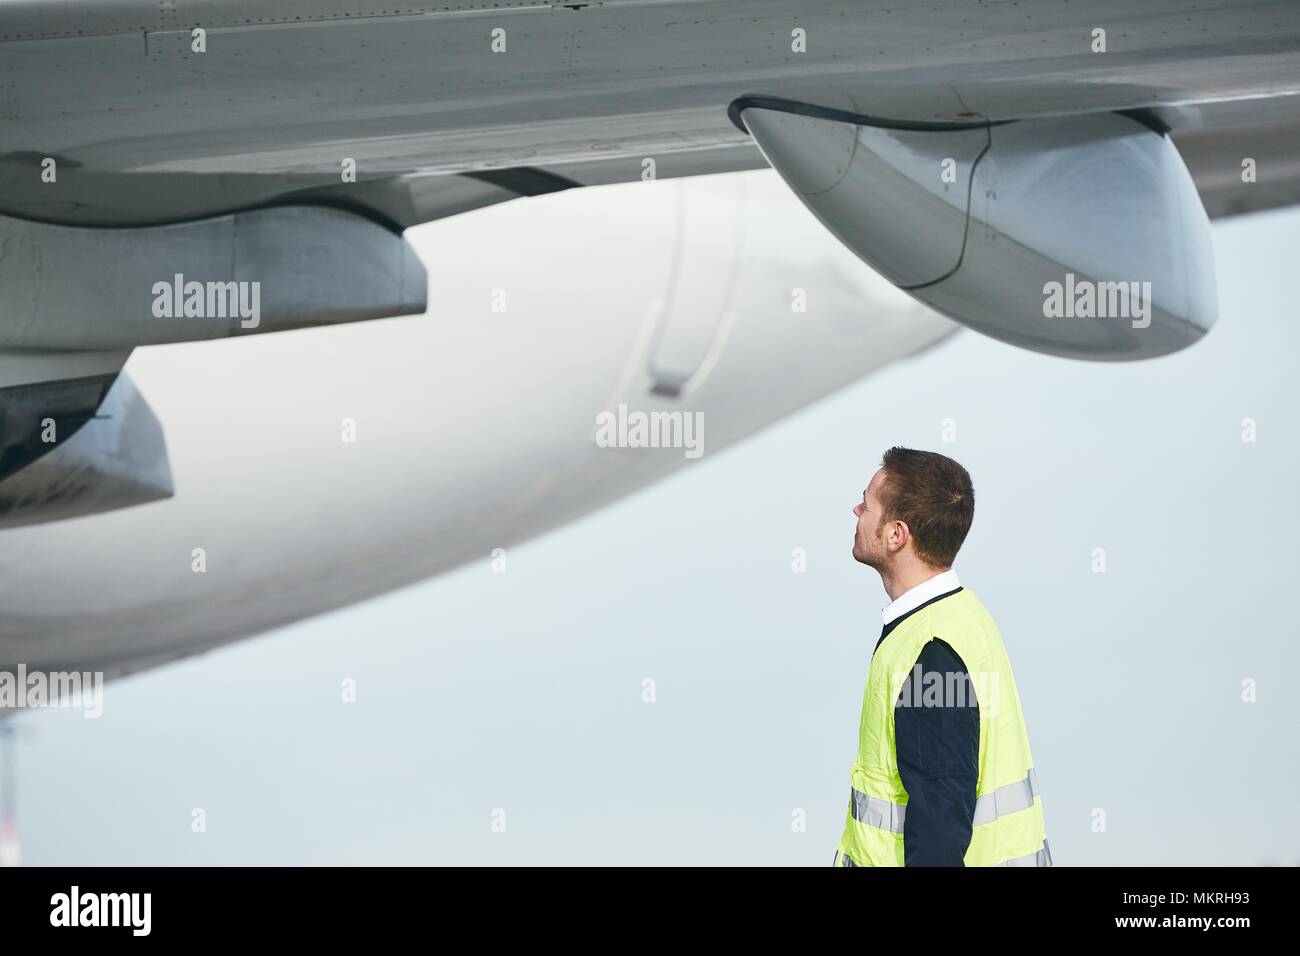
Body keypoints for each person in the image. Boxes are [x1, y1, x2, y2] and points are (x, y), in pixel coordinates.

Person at [833, 447, 1051, 867]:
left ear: (897, 534)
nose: (856, 508)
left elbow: (940, 826)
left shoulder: (932, 651)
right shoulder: (958, 617)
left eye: (867, 503)